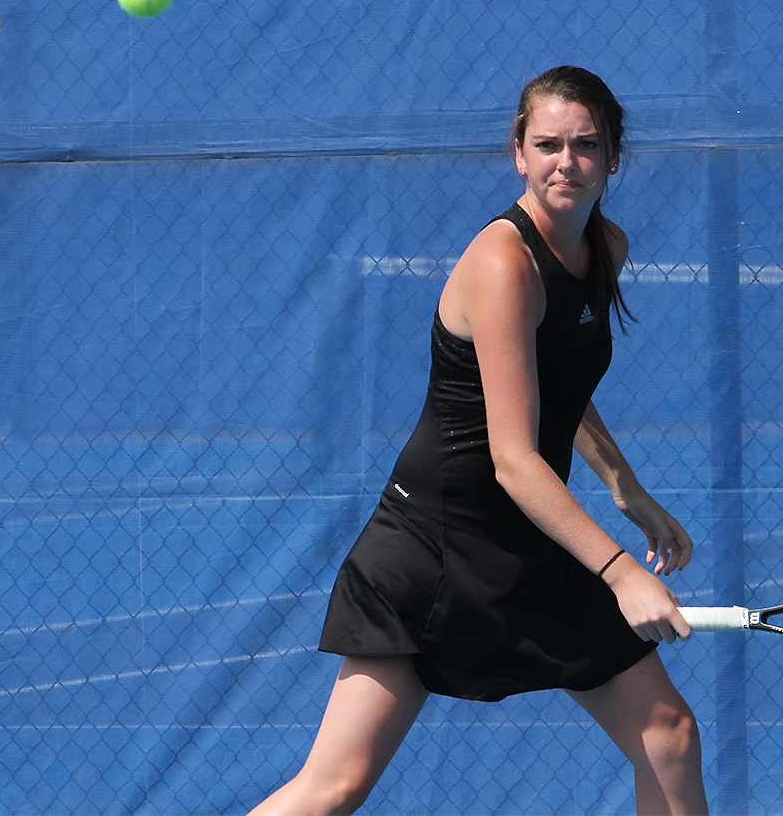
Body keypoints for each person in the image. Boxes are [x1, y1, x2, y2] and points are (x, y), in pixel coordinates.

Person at [248, 66, 708, 816]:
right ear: (518, 154)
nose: (567, 162)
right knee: (334, 787)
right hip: (431, 549)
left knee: (669, 736)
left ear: (614, 157)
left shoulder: (605, 248)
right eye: (549, 144)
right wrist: (623, 573)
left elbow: (555, 382)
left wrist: (628, 490)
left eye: (586, 145)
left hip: (529, 542)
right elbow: (513, 458)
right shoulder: (504, 263)